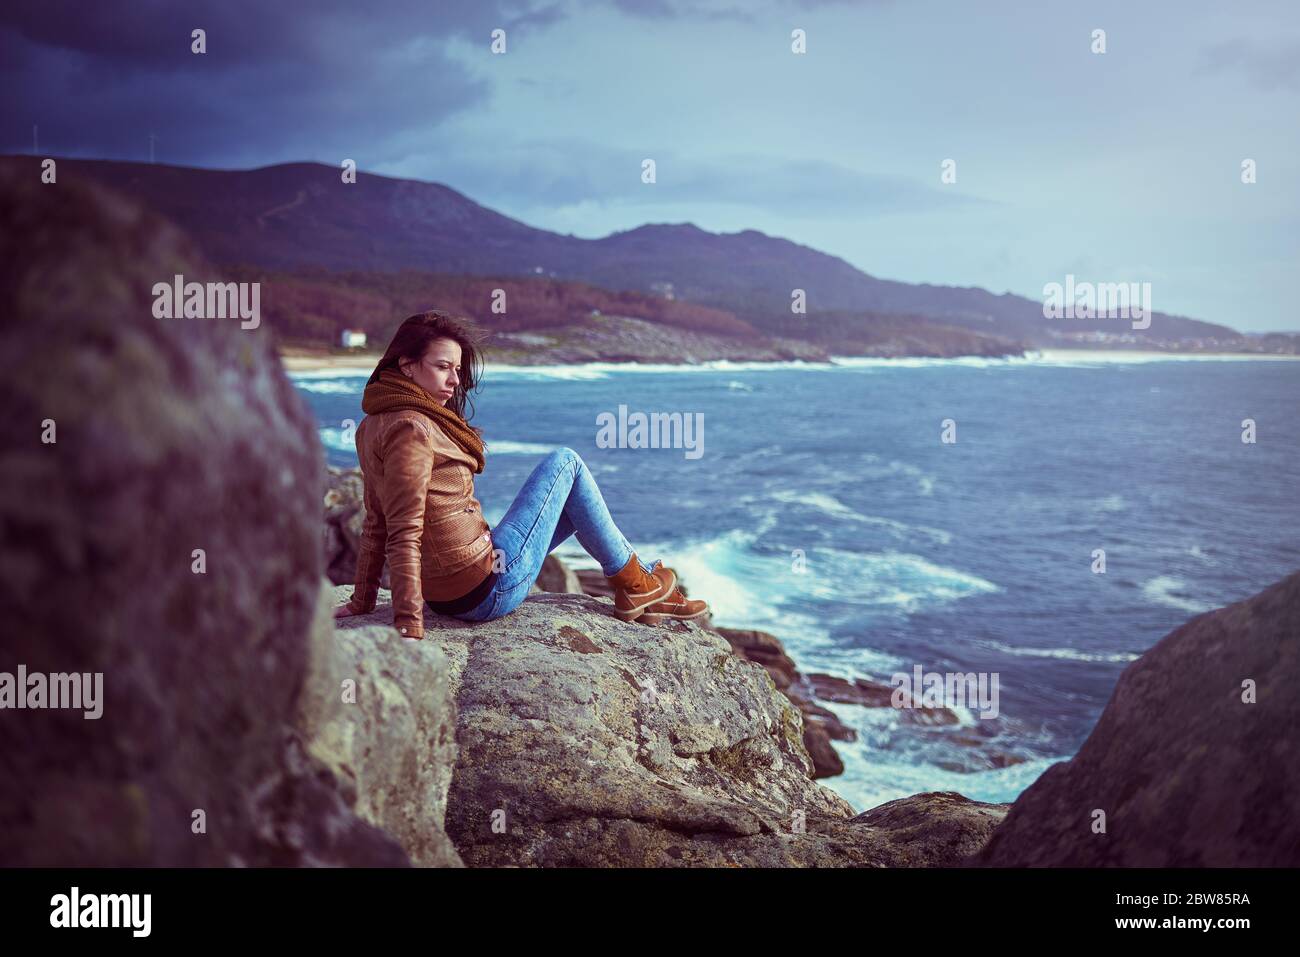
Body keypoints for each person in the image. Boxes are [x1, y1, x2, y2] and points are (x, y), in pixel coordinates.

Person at [333, 310, 709, 638]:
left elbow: (375, 521)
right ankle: (637, 584)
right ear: (407, 364)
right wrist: (408, 626)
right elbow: (402, 529)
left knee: (572, 499)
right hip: (484, 590)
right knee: (567, 463)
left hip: (454, 588)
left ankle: (643, 589)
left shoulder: (372, 425)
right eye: (442, 367)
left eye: (458, 370)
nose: (454, 381)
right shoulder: (413, 429)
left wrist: (363, 602)